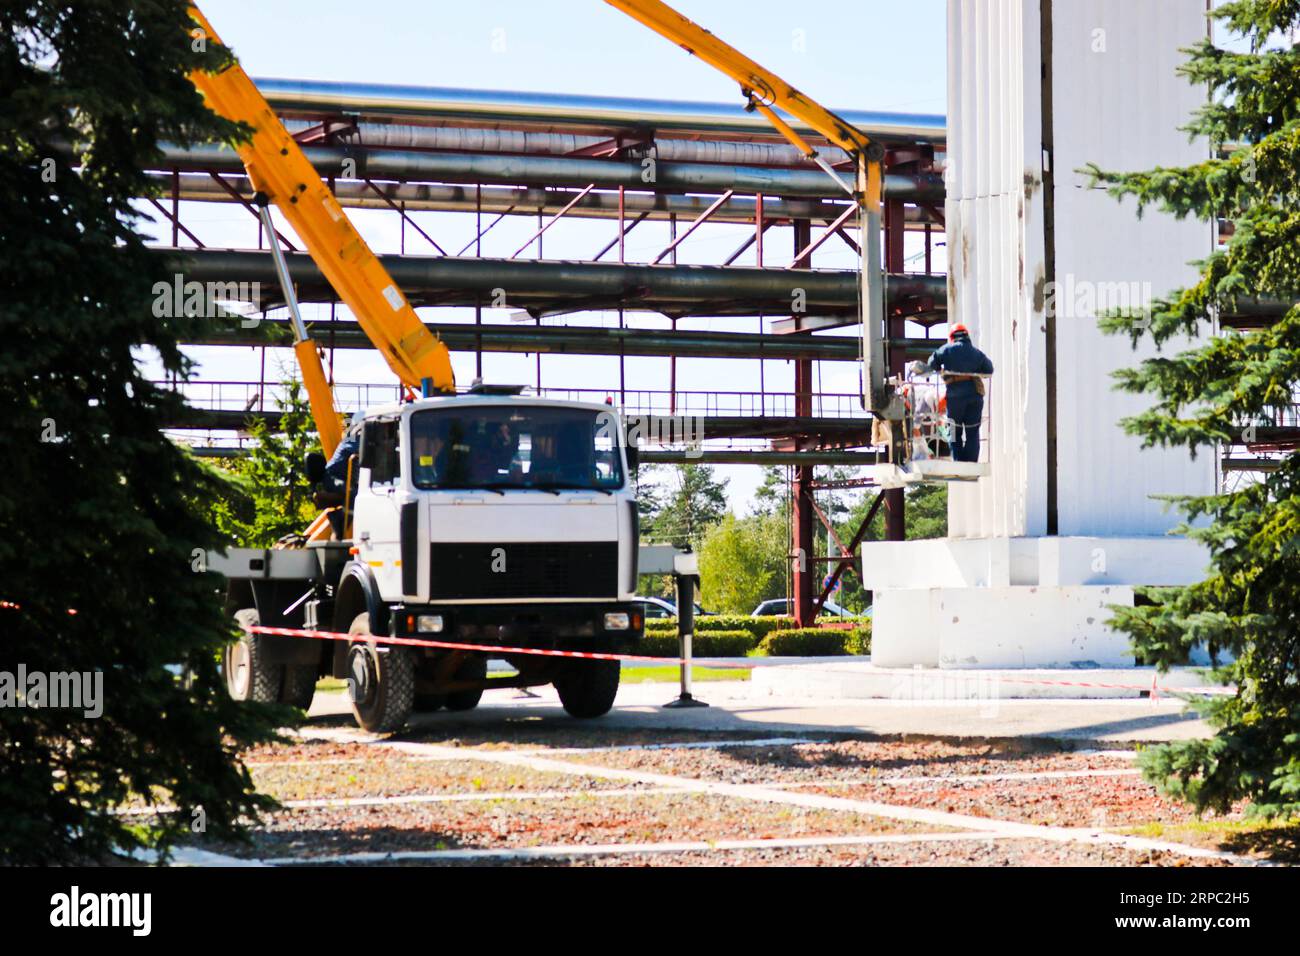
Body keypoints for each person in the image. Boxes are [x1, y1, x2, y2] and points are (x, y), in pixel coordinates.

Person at [915, 323, 993, 463]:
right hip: (975, 395)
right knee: (972, 430)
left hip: (955, 395)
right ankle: (971, 462)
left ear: (952, 337)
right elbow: (989, 369)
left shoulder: (946, 350)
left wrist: (942, 369)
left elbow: (932, 363)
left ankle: (958, 460)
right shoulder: (976, 353)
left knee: (954, 430)